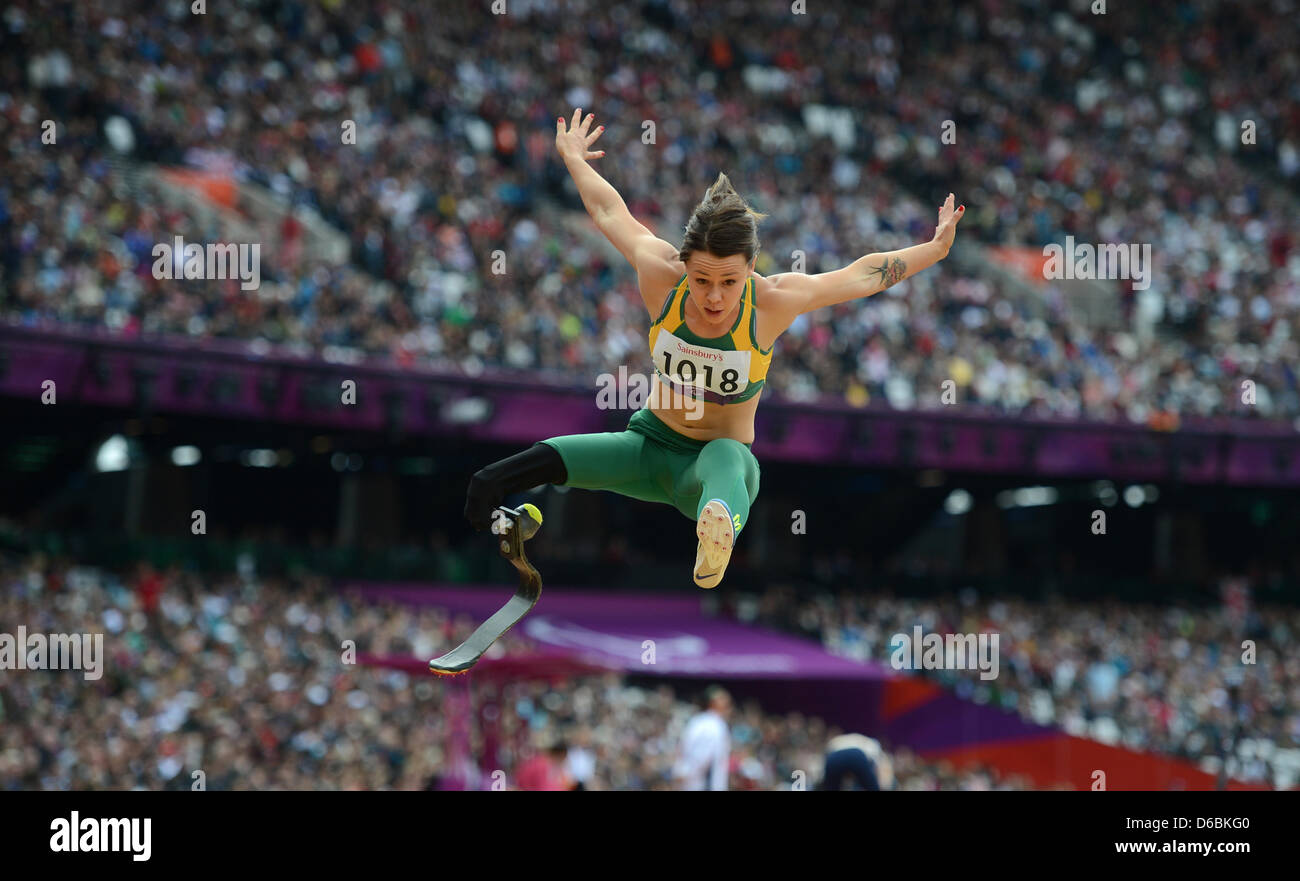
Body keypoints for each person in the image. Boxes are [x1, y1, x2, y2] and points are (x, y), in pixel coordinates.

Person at [464, 108, 965, 588]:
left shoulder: (771, 302)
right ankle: (489, 495)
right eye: (701, 279)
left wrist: (934, 250)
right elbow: (607, 210)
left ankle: (716, 532)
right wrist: (573, 157)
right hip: (645, 449)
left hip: (715, 473)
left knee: (729, 456)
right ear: (684, 264)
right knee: (544, 457)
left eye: (728, 281)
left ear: (751, 267)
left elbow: (861, 275)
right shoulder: (661, 275)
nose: (714, 297)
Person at [672, 686, 732, 791]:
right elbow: (702, 756)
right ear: (713, 702)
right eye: (723, 699)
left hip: (692, 780)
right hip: (701, 783)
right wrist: (685, 772)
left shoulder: (698, 721)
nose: (728, 703)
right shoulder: (713, 725)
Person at [819, 733, 895, 791]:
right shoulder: (874, 746)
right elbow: (880, 769)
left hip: (833, 757)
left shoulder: (847, 739)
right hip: (856, 755)